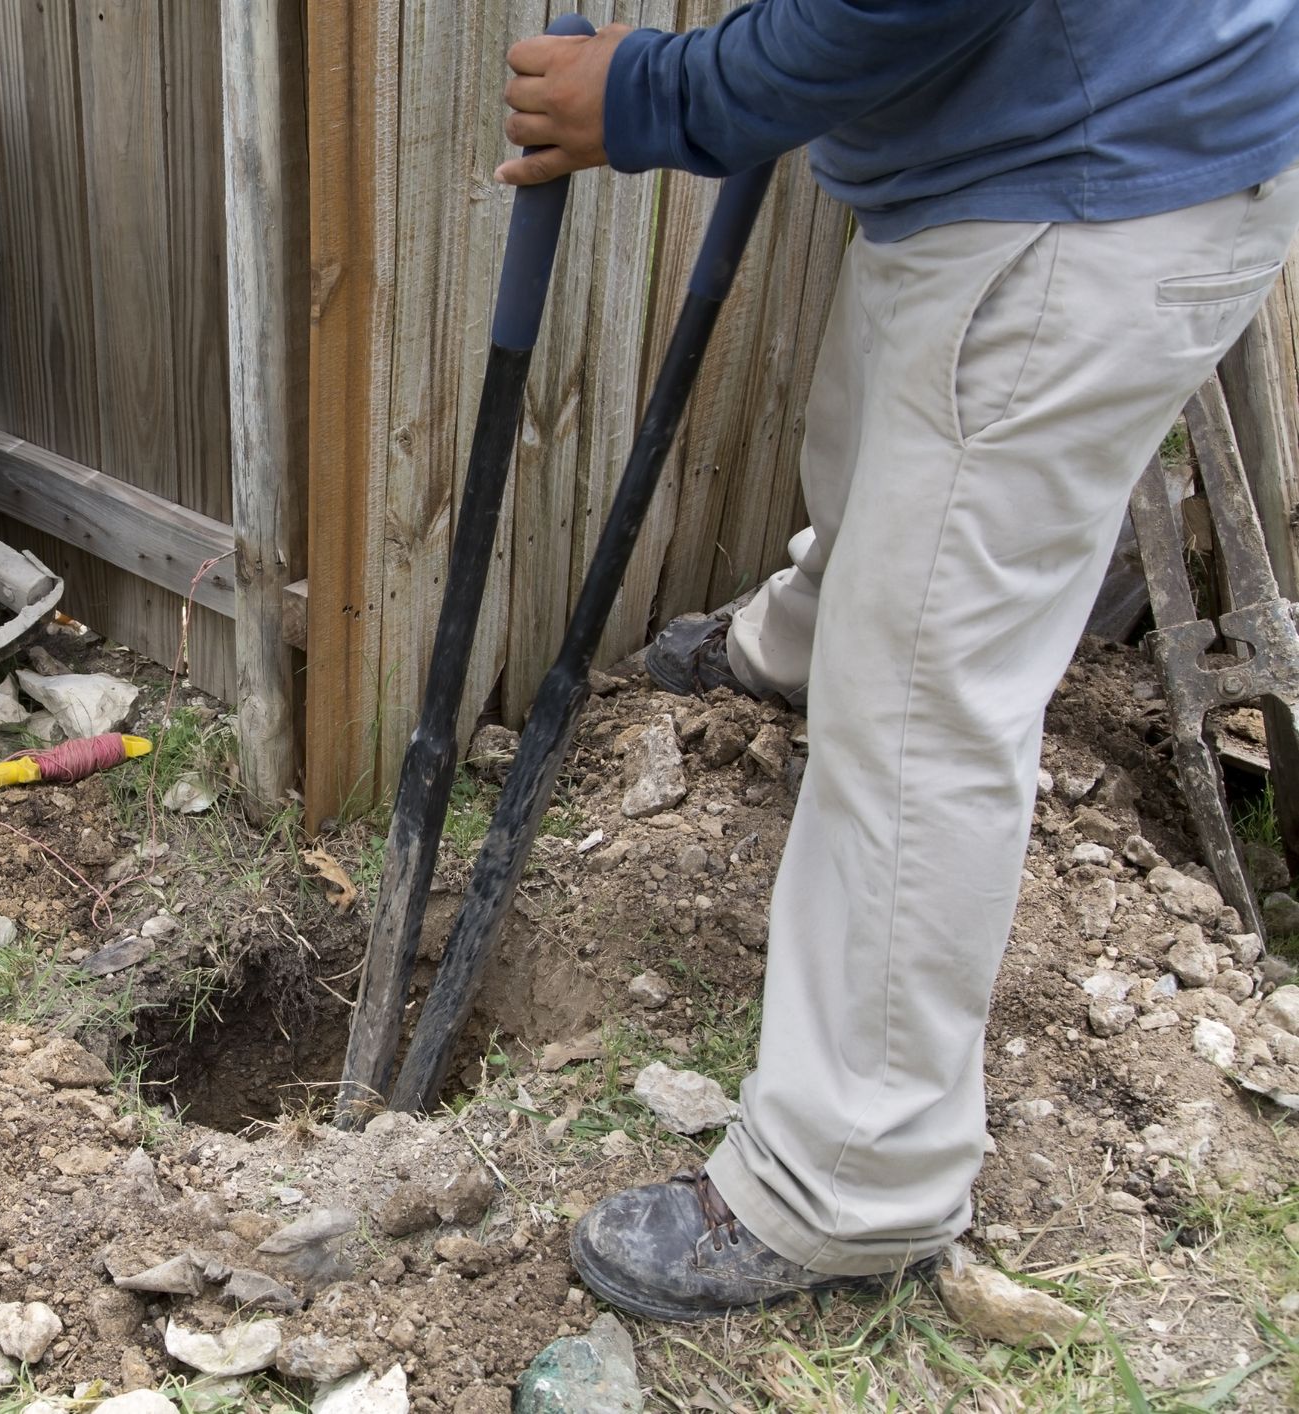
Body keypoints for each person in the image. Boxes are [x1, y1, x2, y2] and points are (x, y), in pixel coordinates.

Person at [496, 1, 1299, 1321]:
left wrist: (651, 93)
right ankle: (808, 634)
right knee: (873, 433)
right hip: (1016, 138)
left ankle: (852, 1180)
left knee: (921, 704)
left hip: (1084, 187)